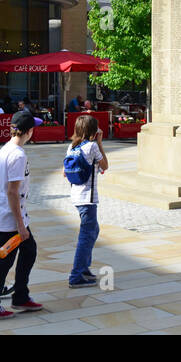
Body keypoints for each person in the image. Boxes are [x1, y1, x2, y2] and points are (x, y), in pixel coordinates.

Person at [0, 111, 45, 319]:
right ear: (29, 131)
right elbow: (11, 191)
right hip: (12, 216)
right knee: (4, 261)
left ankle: (20, 296)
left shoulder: (5, 149)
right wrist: (20, 225)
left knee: (29, 251)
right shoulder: (17, 154)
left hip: (7, 213)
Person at [66, 114, 109, 288]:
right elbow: (105, 165)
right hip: (88, 198)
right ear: (93, 130)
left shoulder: (72, 146)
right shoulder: (91, 146)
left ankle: (83, 268)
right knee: (87, 234)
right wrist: (99, 142)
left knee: (93, 230)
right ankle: (77, 274)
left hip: (76, 195)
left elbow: (65, 172)